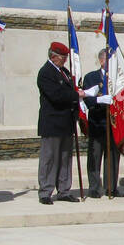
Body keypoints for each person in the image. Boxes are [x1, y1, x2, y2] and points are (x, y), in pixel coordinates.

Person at [37, 41, 92, 204]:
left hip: (67, 122)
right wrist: (77, 95)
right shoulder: (46, 73)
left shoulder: (65, 73)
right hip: (53, 122)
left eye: (66, 57)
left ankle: (64, 189)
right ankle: (45, 191)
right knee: (49, 158)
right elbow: (56, 95)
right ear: (53, 57)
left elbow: (69, 91)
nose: (65, 60)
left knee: (65, 158)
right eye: (63, 57)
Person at [82, 48, 121, 197]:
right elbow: (86, 99)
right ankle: (94, 187)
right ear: (101, 61)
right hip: (97, 122)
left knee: (112, 157)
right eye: (108, 60)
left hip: (114, 124)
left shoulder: (119, 79)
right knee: (95, 157)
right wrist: (99, 100)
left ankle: (111, 187)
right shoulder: (91, 77)